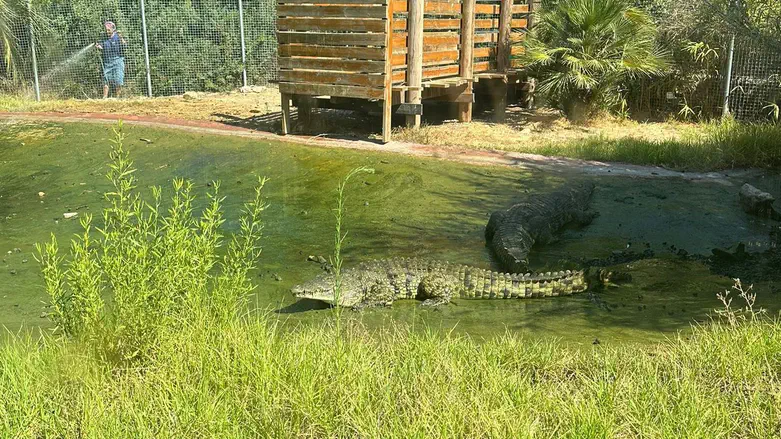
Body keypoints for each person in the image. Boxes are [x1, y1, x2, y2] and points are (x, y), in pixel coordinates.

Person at [95, 21, 127, 99]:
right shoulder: (104, 38)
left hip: (118, 60)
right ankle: (104, 97)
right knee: (105, 79)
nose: (107, 31)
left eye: (108, 30)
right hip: (107, 62)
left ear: (113, 29)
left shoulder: (118, 36)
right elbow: (102, 47)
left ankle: (118, 98)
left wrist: (121, 38)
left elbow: (125, 46)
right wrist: (98, 46)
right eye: (106, 30)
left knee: (119, 79)